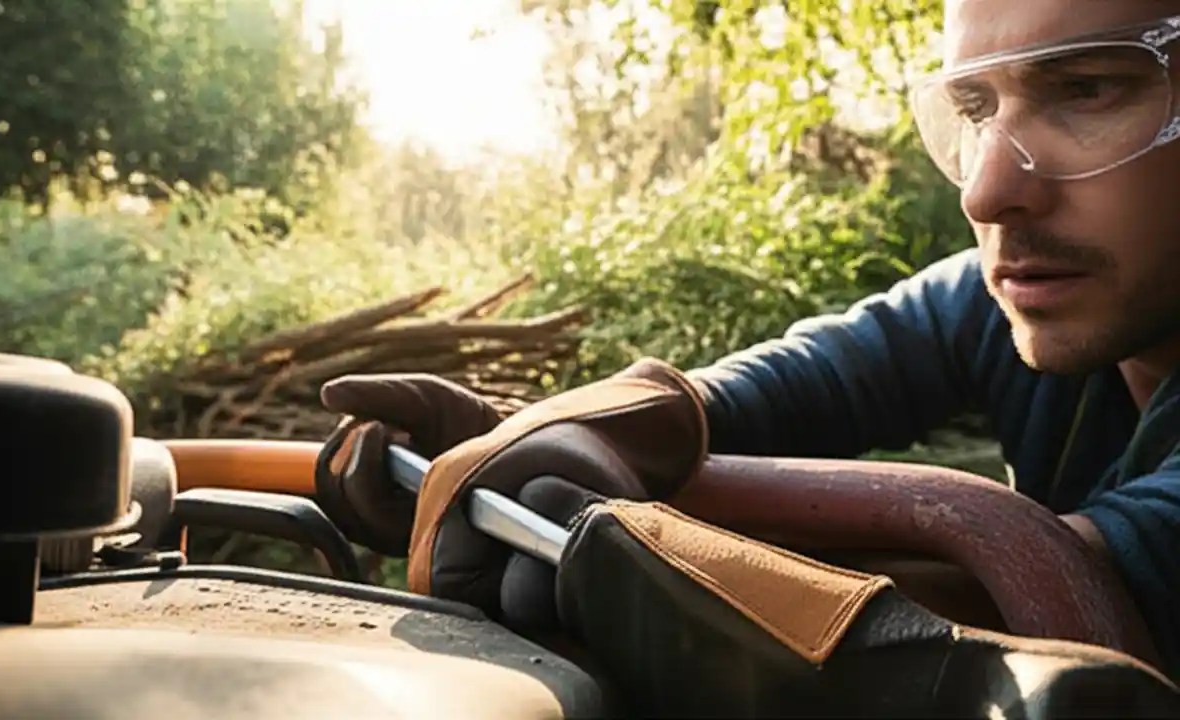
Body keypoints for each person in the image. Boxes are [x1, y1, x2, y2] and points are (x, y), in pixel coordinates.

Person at [314, 0, 1180, 683]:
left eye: (1087, 90)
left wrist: (624, 549)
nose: (988, 193)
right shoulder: (1015, 298)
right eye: (974, 108)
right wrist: (554, 431)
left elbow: (983, 616)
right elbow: (801, 384)